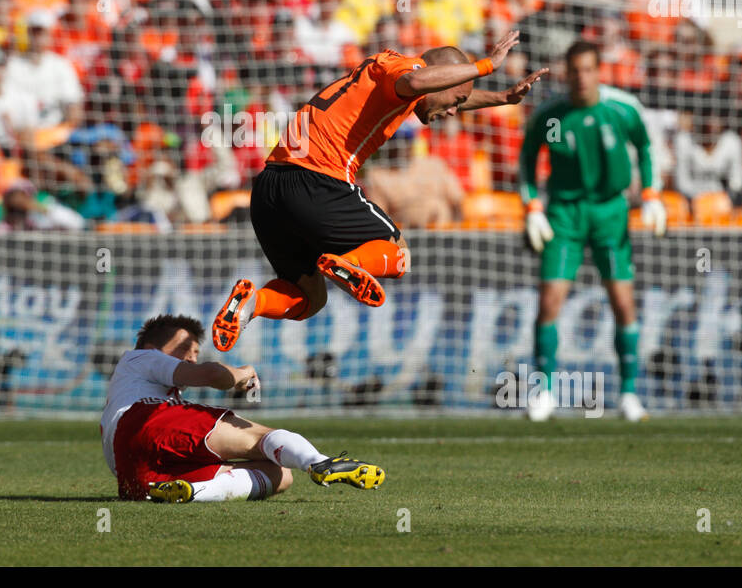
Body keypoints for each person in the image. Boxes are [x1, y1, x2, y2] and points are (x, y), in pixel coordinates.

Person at [212, 30, 546, 351]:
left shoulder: (382, 74)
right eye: (456, 100)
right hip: (317, 179)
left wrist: (502, 99)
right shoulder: (407, 68)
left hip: (270, 189)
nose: (454, 112)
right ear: (440, 76)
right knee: (397, 251)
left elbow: (435, 89)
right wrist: (487, 65)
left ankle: (251, 304)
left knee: (310, 298)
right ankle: (349, 263)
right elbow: (418, 81)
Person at [518, 40, 667, 422]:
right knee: (550, 301)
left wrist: (649, 194)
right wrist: (532, 206)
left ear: (599, 71)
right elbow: (528, 159)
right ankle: (545, 391)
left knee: (623, 302)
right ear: (566, 73)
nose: (581, 78)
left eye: (588, 69)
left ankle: (629, 394)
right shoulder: (552, 118)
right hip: (564, 214)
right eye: (574, 71)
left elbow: (646, 148)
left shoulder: (622, 109)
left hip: (610, 212)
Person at [103, 314, 385, 503]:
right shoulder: (141, 357)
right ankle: (319, 462)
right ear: (153, 346)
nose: (191, 356)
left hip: (133, 475)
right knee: (259, 437)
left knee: (280, 475)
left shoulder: (126, 389)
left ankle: (195, 492)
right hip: (144, 422)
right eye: (185, 347)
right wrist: (240, 374)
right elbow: (211, 375)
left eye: (196, 352)